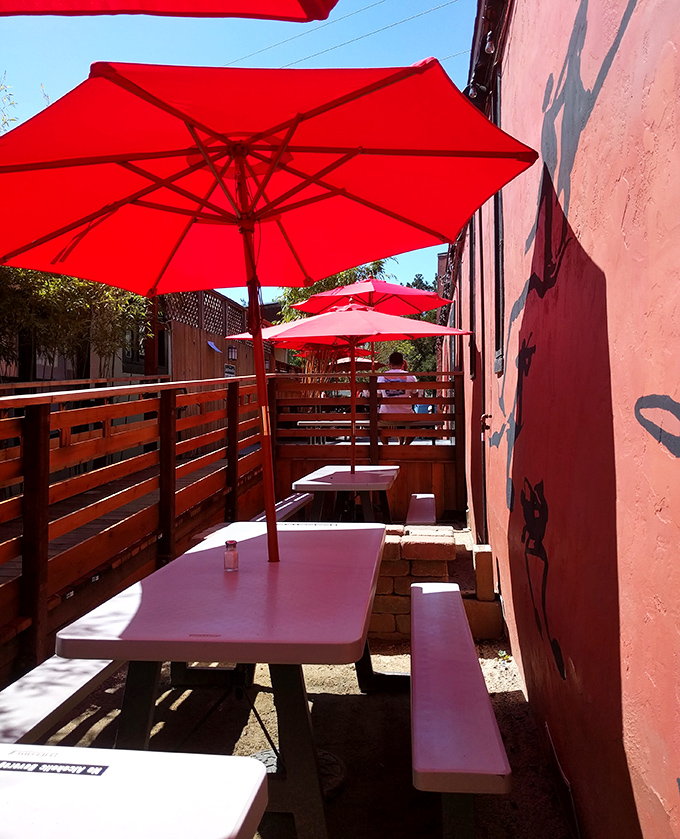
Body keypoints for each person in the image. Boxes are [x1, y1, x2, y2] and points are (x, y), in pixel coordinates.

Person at [378, 351, 419, 444]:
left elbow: (378, 396)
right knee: (417, 423)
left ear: (389, 364)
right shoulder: (411, 377)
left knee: (380, 425)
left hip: (385, 415)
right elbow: (415, 397)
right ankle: (405, 446)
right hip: (405, 415)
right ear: (403, 363)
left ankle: (385, 446)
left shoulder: (381, 377)